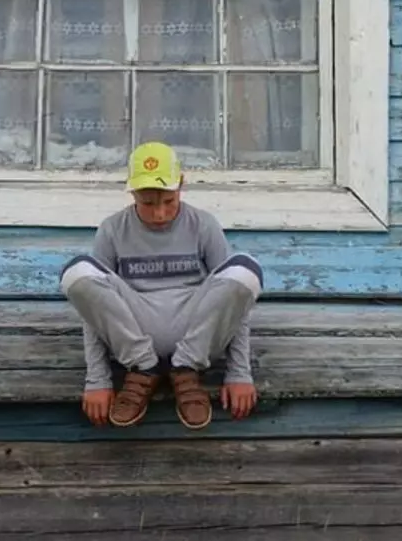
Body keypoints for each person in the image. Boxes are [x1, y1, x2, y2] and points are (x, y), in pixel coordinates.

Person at [59, 142, 263, 430]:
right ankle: (145, 368)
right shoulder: (112, 229)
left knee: (245, 270)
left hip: (195, 331)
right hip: (135, 330)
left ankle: (185, 368)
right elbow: (95, 308)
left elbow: (234, 301)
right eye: (147, 203)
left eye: (169, 201)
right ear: (131, 193)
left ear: (181, 184)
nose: (159, 214)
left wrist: (240, 374)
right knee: (77, 271)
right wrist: (97, 380)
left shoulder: (204, 225)